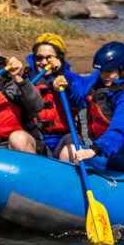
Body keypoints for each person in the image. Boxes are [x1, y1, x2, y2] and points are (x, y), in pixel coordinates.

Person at [68, 40, 124, 174]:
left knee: (67, 154)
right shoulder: (102, 81)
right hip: (106, 150)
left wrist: (94, 150)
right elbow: (80, 87)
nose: (104, 75)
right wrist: (66, 84)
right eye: (101, 71)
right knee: (67, 150)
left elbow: (121, 130)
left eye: (109, 71)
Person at [25, 31, 82, 162]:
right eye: (39, 58)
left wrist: (64, 80)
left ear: (60, 58)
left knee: (73, 147)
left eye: (49, 58)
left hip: (65, 137)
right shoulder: (25, 80)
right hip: (37, 138)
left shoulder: (72, 79)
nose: (44, 63)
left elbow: (79, 98)